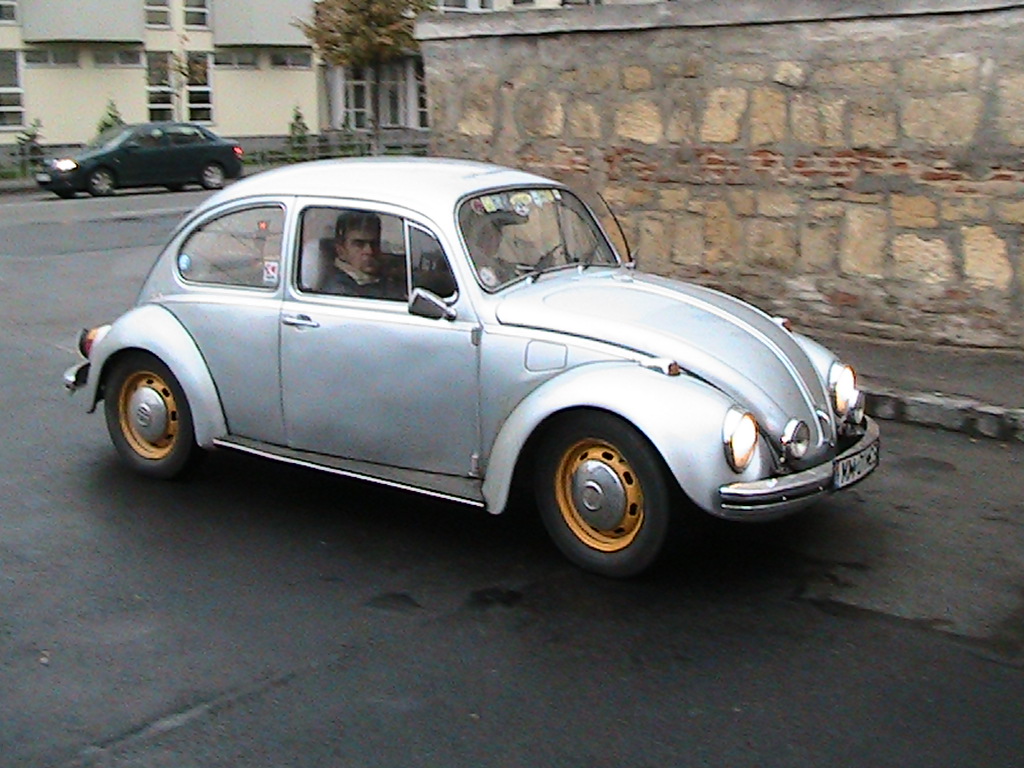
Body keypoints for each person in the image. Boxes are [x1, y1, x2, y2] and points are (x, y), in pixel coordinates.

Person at [320, 211, 404, 299]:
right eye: (359, 244)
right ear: (341, 250)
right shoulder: (341, 291)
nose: (370, 251)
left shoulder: (383, 277)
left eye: (374, 243)